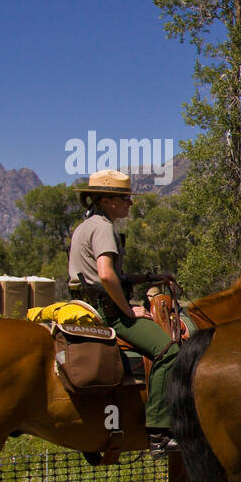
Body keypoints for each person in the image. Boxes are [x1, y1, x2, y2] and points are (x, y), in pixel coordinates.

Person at [68, 169, 180, 457]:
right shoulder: (104, 227)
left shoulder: (85, 226)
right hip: (109, 314)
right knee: (168, 351)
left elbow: (107, 274)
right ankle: (158, 431)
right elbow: (106, 276)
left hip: (84, 306)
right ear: (106, 199)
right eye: (125, 198)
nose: (130, 203)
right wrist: (127, 309)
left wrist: (150, 276)